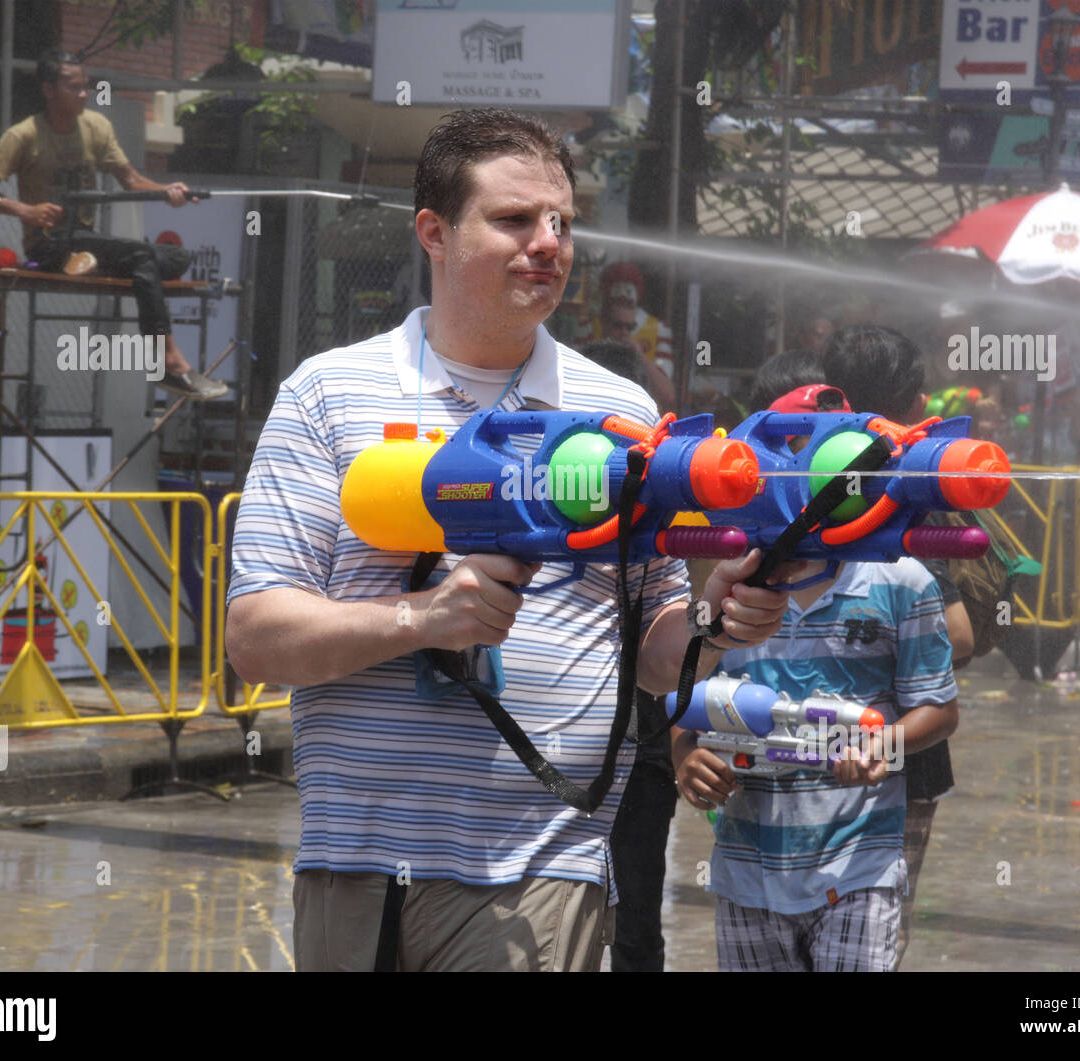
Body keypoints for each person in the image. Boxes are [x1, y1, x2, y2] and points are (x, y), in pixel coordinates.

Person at [224, 107, 799, 972]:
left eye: (561, 222)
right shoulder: (327, 396)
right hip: (355, 865)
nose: (548, 243)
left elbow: (655, 650)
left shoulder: (621, 418)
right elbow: (257, 639)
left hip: (545, 866)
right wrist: (422, 619)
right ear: (434, 232)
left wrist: (720, 624)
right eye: (514, 220)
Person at [673, 377, 960, 972]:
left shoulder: (902, 582)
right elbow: (681, 694)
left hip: (861, 865)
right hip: (746, 870)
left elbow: (939, 708)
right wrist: (684, 758)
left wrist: (882, 744)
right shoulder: (726, 585)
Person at [821, 322, 972, 966]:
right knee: (876, 938)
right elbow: (960, 633)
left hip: (799, 752)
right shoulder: (909, 493)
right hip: (900, 761)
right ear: (910, 403)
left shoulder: (796, 483)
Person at [0, 49, 226, 401]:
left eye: (86, 87)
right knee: (142, 258)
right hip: (50, 245)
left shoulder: (97, 127)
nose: (84, 94)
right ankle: (169, 361)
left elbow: (131, 180)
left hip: (87, 242)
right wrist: (24, 211)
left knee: (177, 257)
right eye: (74, 87)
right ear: (49, 90)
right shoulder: (23, 135)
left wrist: (168, 191)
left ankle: (97, 270)